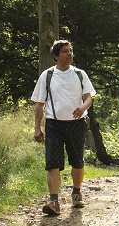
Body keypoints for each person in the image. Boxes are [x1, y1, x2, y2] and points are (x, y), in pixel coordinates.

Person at [31, 39, 96, 216]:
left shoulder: (80, 74)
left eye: (70, 51)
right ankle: (54, 201)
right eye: (65, 51)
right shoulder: (47, 75)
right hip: (53, 124)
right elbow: (39, 104)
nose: (69, 54)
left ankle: (76, 193)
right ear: (56, 56)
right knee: (52, 163)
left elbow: (88, 98)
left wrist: (83, 107)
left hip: (77, 123)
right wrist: (37, 128)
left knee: (77, 161)